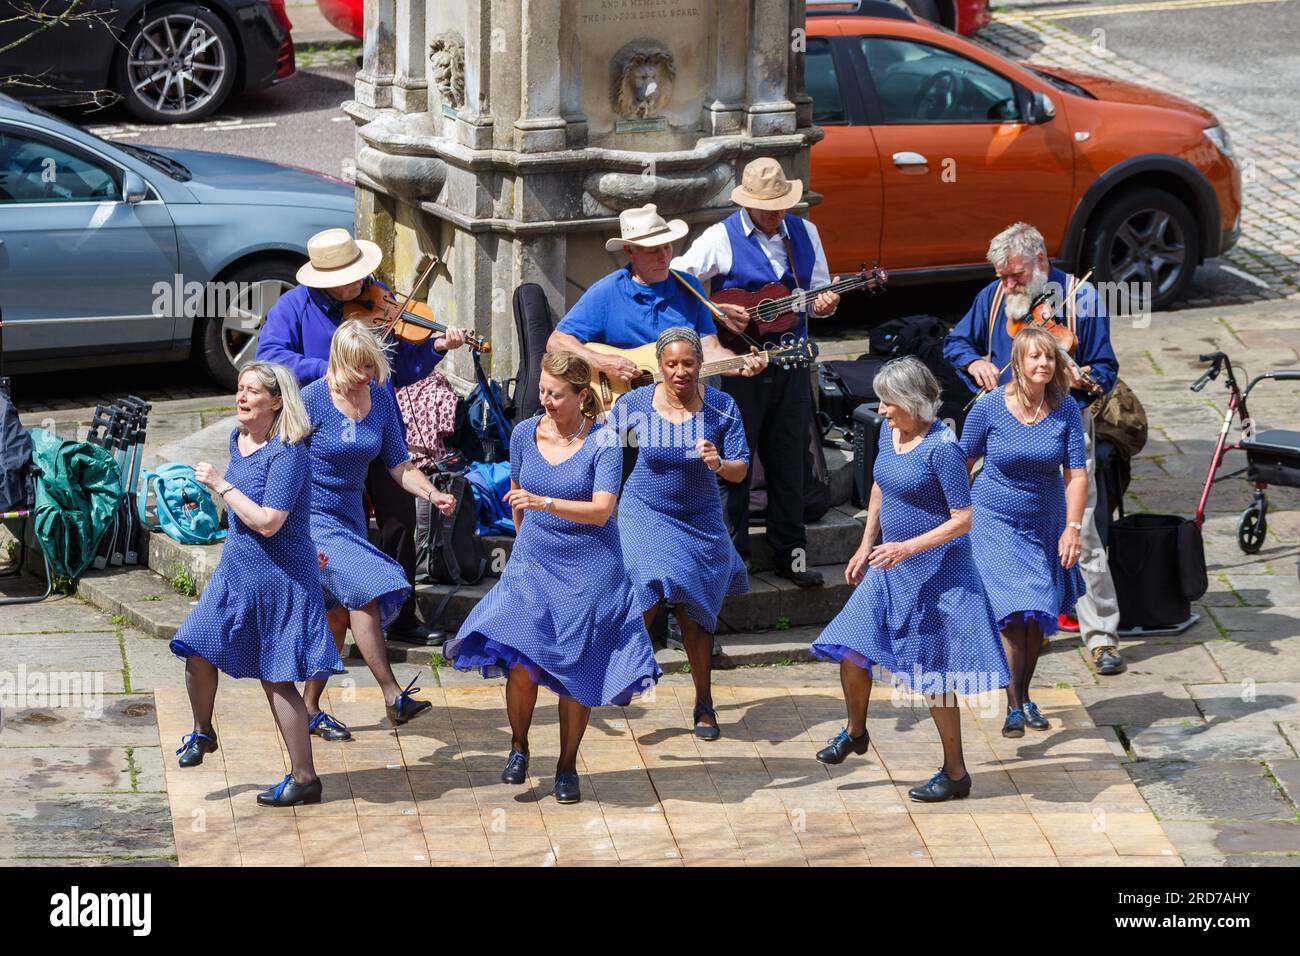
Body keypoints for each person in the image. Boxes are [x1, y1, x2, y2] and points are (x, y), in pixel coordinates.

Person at [443, 351, 661, 805]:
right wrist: (525, 541)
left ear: (583, 397)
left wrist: (546, 504)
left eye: (556, 395)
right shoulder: (524, 433)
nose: (545, 401)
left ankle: (566, 767)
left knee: (574, 672)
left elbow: (603, 511)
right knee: (522, 659)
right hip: (533, 561)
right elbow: (517, 500)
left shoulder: (604, 441)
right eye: (542, 391)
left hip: (590, 567)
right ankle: (519, 746)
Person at [809, 357, 1009, 802]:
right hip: (889, 566)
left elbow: (964, 519)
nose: (880, 410)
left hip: (939, 575)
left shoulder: (943, 449)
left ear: (914, 402)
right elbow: (880, 488)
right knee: (852, 645)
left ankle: (955, 772)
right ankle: (856, 732)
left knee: (934, 677)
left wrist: (907, 547)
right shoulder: (891, 433)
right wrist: (866, 544)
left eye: (887, 402)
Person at [257, 227, 468, 644]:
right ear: (327, 279)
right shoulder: (292, 308)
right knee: (330, 531)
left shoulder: (377, 297)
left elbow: (399, 368)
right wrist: (335, 370)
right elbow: (269, 361)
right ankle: (333, 615)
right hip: (326, 437)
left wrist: (435, 348)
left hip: (375, 426)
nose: (365, 282)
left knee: (401, 519)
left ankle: (400, 615)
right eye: (354, 276)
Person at [942, 221, 1124, 676]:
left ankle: (1100, 635)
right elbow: (956, 341)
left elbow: (1104, 366)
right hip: (999, 420)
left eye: (1016, 276)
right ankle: (1003, 625)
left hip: (1059, 422)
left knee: (1079, 530)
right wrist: (975, 361)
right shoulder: (994, 297)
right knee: (989, 531)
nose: (1007, 285)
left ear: (1042, 263)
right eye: (1002, 276)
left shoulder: (1080, 299)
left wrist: (1081, 380)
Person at [170, 361, 342, 808]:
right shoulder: (239, 439)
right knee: (196, 647)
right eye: (239, 388)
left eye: (252, 391)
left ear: (277, 401)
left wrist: (221, 486)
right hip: (235, 574)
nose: (241, 397)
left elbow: (269, 522)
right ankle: (203, 732)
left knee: (277, 680)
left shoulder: (288, 454)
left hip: (279, 580)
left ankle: (305, 778)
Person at [672, 157, 841, 587]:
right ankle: (735, 562)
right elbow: (678, 279)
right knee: (736, 463)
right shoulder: (719, 237)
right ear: (747, 204)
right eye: (768, 207)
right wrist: (716, 312)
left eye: (781, 205)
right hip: (739, 369)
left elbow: (816, 292)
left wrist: (826, 303)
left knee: (789, 464)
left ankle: (793, 557)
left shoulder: (806, 233)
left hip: (791, 363)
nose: (776, 214)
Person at [299, 320, 457, 738]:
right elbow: (284, 458)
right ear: (338, 362)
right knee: (366, 588)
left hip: (350, 516)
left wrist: (431, 493)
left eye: (371, 368)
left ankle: (308, 709)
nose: (365, 377)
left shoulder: (381, 401)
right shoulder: (312, 399)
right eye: (358, 368)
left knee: (336, 617)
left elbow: (398, 465)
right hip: (313, 517)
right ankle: (393, 697)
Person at [610, 327, 749, 740]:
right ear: (660, 366)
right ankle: (634, 666)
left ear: (700, 366)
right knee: (648, 578)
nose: (680, 372)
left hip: (700, 516)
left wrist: (719, 463)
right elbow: (605, 448)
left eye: (688, 363)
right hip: (644, 510)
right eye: (671, 364)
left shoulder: (722, 408)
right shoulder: (635, 404)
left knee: (695, 609)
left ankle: (704, 703)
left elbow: (741, 469)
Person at [961, 327, 1088, 737]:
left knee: (1038, 613)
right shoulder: (989, 407)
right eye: (1034, 357)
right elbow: (962, 462)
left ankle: (1024, 695)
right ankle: (1015, 706)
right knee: (1015, 612)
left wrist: (1072, 528)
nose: (1043, 365)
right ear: (1017, 362)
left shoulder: (1065, 408)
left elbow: (1077, 474)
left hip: (1044, 521)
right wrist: (951, 517)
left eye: (1049, 358)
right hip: (993, 517)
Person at [546, 203, 767, 385]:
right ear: (630, 251)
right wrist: (602, 362)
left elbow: (709, 349)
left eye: (667, 247)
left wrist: (739, 364)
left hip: (683, 403)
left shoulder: (689, 286)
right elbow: (557, 341)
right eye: (653, 250)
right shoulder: (606, 292)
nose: (664, 257)